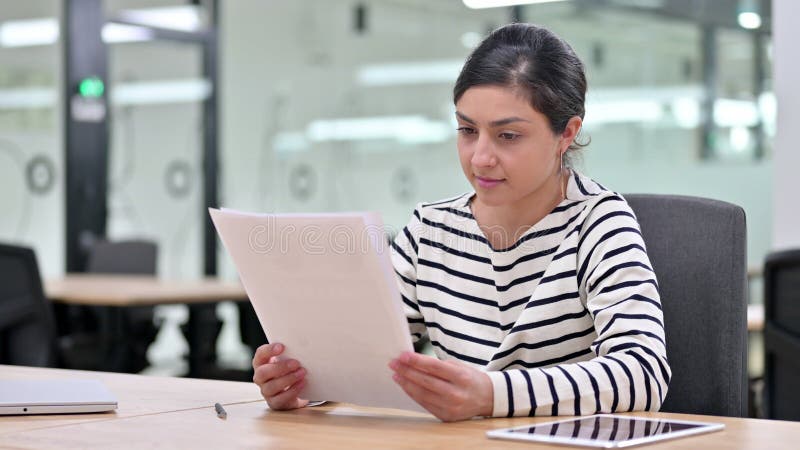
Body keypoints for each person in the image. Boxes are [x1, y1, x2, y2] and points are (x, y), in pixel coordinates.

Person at [251, 23, 670, 422]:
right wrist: (307, 382)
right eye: (468, 130)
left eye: (508, 136)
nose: (480, 157)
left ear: (566, 134)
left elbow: (644, 372)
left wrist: (490, 394)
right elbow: (363, 358)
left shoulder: (598, 223)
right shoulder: (430, 230)